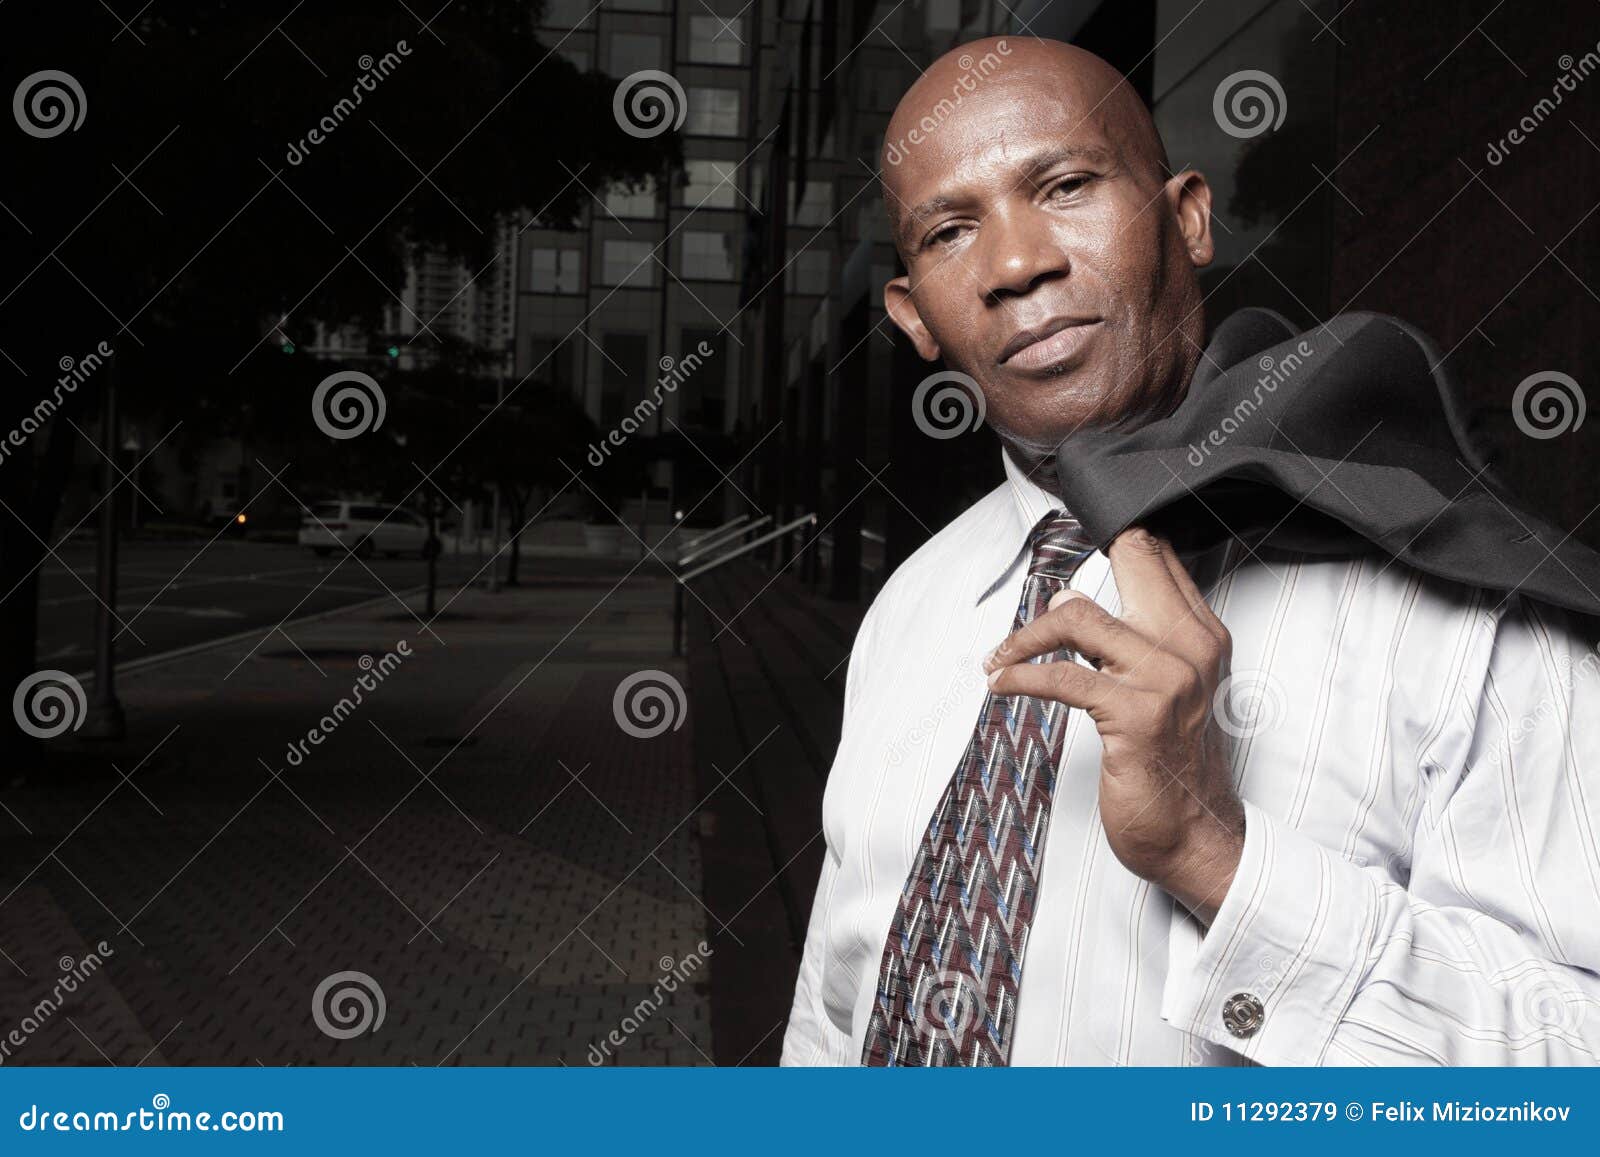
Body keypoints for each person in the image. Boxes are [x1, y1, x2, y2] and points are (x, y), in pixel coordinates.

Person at [779, 36, 1600, 1066]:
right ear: (914, 317)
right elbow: (832, 1003)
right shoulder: (908, 606)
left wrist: (1217, 853)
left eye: (1067, 183)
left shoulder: (1462, 616)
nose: (1014, 263)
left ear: (1187, 218)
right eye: (949, 231)